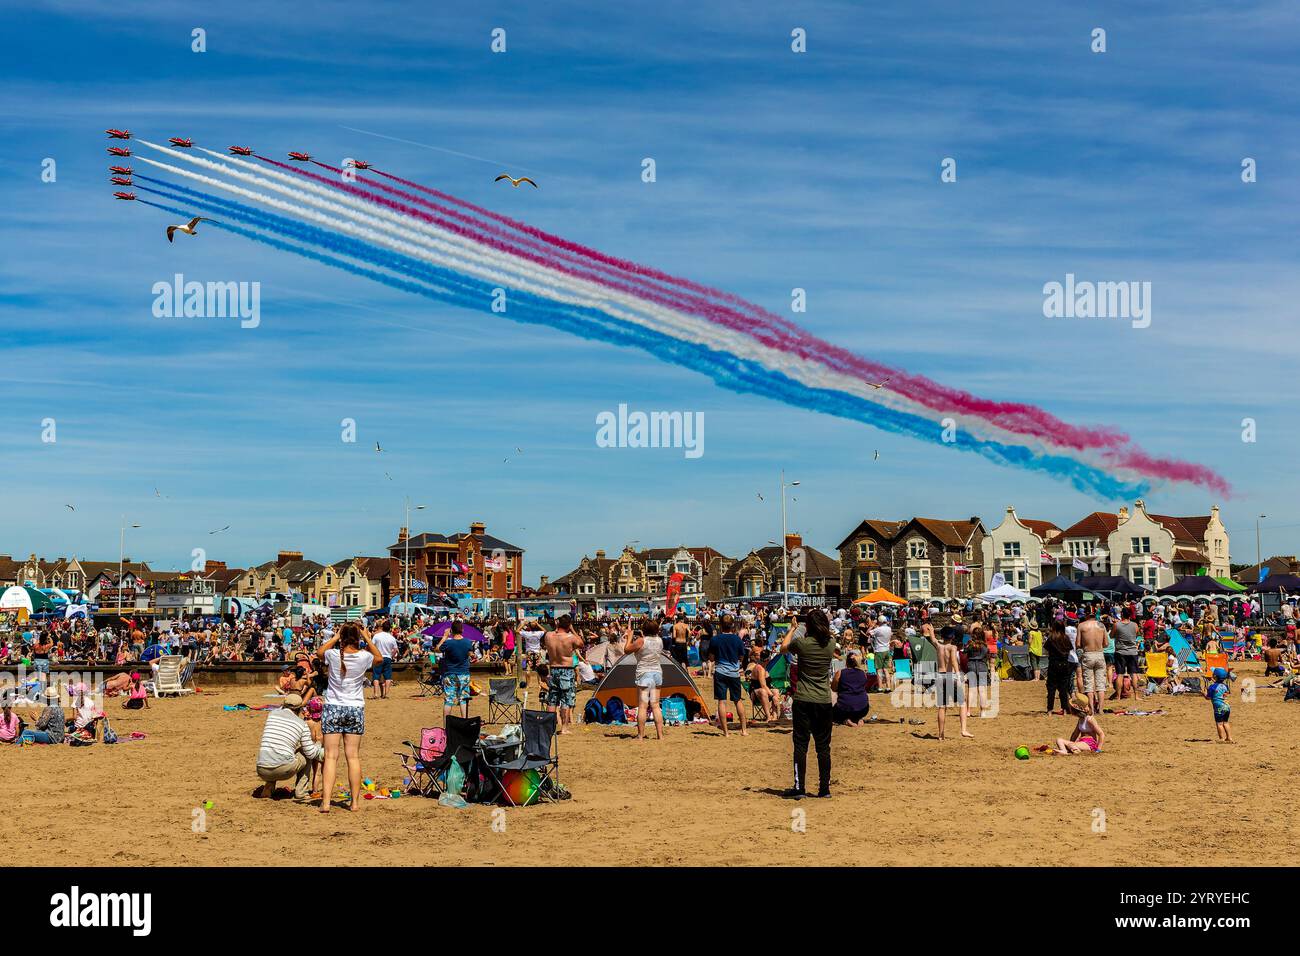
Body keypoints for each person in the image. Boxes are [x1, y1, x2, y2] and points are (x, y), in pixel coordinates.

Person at [315, 622, 385, 812]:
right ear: (358, 638)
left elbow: (320, 652)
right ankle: (354, 803)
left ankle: (327, 802)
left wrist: (336, 637)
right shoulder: (363, 656)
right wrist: (367, 637)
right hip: (355, 708)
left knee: (330, 756)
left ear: (342, 638)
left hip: (333, 707)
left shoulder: (333, 654)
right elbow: (379, 658)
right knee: (352, 756)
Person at [780, 610, 835, 799]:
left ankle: (799, 786)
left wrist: (793, 628)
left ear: (808, 626)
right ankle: (824, 788)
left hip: (803, 698)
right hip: (823, 699)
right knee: (823, 747)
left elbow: (783, 647)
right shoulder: (830, 644)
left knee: (801, 745)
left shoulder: (801, 643)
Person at [255, 693, 324, 803]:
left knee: (275, 749)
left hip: (262, 768)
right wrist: (319, 744)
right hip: (283, 768)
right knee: (305, 752)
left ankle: (269, 785)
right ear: (300, 709)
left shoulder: (272, 714)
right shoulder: (302, 724)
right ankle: (301, 792)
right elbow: (310, 753)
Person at [542, 615, 584, 734]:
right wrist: (573, 629)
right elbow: (581, 644)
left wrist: (556, 627)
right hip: (566, 669)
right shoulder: (570, 637)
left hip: (553, 669)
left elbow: (551, 635)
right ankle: (564, 728)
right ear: (569, 625)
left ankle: (549, 727)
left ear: (558, 623)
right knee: (566, 700)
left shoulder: (548, 636)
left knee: (552, 699)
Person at [930, 623, 972, 740]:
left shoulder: (938, 646)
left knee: (942, 707)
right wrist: (959, 675)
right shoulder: (952, 648)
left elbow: (932, 638)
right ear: (952, 637)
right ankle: (963, 730)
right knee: (962, 703)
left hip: (939, 676)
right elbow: (953, 661)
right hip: (950, 676)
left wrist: (932, 630)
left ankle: (940, 734)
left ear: (942, 636)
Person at [625, 618, 665, 740]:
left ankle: (640, 735)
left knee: (643, 706)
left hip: (644, 674)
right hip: (657, 673)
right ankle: (660, 735)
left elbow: (626, 650)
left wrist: (629, 637)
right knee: (656, 705)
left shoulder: (641, 641)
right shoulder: (659, 640)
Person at [709, 614, 748, 737]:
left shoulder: (715, 639)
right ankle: (744, 730)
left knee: (722, 701)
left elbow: (711, 658)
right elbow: (741, 657)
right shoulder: (737, 639)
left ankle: (726, 732)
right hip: (734, 672)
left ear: (720, 625)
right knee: (738, 700)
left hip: (720, 671)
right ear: (732, 625)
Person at [436, 621, 474, 719]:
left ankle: (446, 726)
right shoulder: (467, 642)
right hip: (464, 673)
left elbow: (437, 649)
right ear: (462, 630)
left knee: (449, 700)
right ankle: (464, 722)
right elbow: (470, 652)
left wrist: (444, 637)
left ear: (451, 631)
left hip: (450, 673)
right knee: (463, 699)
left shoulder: (448, 643)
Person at [1076, 617, 1108, 715]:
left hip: (1088, 654)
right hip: (1099, 654)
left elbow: (1078, 644)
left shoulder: (1081, 625)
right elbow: (1106, 643)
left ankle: (1092, 709)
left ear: (1085, 615)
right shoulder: (1101, 625)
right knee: (1101, 684)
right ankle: (1101, 709)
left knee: (1088, 684)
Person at [1110, 607, 1141, 700]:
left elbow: (1111, 636)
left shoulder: (1117, 625)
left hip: (1120, 652)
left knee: (1120, 674)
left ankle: (1118, 696)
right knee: (1134, 674)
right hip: (1132, 651)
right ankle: (1136, 695)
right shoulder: (1135, 625)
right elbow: (1137, 634)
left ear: (1122, 614)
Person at [831, 652, 870, 726]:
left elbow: (833, 688)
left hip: (844, 707)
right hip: (863, 708)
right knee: (857, 704)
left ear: (846, 662)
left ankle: (846, 720)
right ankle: (858, 719)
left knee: (833, 712)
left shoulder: (840, 673)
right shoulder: (863, 673)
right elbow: (864, 687)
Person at [369, 619, 399, 699]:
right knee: (388, 676)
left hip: (378, 657)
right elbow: (395, 649)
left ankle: (375, 693)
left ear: (382, 627)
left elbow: (371, 646)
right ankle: (386, 694)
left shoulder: (377, 636)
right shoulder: (392, 638)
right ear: (389, 628)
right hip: (388, 657)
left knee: (376, 676)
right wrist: (391, 655)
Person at [1205, 666, 1233, 743]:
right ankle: (1229, 738)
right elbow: (1224, 693)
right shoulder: (1225, 686)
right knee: (1225, 723)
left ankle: (1221, 738)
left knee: (1219, 723)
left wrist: (1203, 693)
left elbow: (1208, 697)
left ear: (1215, 676)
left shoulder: (1212, 687)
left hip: (1219, 708)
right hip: (1227, 706)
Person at [869, 616, 893, 692]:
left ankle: (880, 687)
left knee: (879, 670)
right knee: (886, 670)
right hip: (887, 650)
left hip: (879, 650)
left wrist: (872, 625)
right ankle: (888, 687)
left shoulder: (878, 629)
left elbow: (867, 633)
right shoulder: (889, 629)